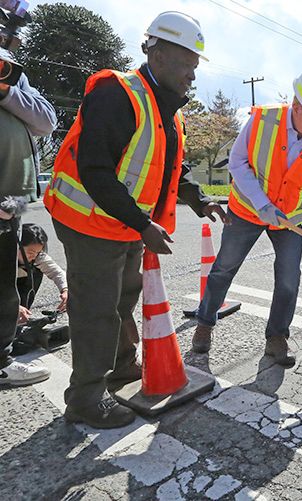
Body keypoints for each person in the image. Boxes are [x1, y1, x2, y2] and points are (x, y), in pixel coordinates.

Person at [44, 11, 226, 428]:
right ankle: (86, 399)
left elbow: (170, 168)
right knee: (97, 309)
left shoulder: (168, 111)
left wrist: (200, 200)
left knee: (123, 301)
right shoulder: (117, 93)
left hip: (123, 223)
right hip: (88, 220)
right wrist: (143, 225)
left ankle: (124, 371)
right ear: (158, 54)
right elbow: (95, 170)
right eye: (188, 65)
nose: (192, 77)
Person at [192, 65, 302, 368]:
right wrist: (262, 204)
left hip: (290, 220)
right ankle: (205, 322)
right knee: (223, 268)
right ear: (296, 106)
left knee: (288, 279)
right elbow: (237, 163)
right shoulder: (262, 120)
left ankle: (276, 337)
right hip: (247, 210)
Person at [0, 46, 57, 387]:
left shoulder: (14, 79)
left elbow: (46, 120)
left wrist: (6, 90)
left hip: (14, 200)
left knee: (5, 284)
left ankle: (2, 358)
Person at [16, 223, 68, 314]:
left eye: (38, 252)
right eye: (30, 252)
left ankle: (23, 311)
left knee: (36, 271)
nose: (34, 256)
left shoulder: (38, 257)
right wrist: (12, 307)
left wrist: (65, 290)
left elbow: (56, 272)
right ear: (17, 246)